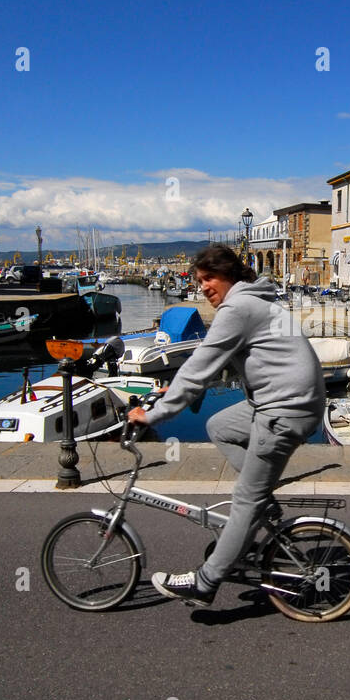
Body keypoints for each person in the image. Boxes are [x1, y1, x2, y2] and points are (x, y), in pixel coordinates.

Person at [126, 244, 326, 608]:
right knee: (219, 425)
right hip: (286, 403)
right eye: (199, 280)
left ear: (230, 276)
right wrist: (182, 391)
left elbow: (201, 362)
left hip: (284, 410)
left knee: (244, 499)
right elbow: (219, 364)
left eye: (209, 278)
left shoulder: (238, 307)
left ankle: (204, 583)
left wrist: (154, 415)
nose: (202, 286)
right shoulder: (256, 302)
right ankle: (260, 501)